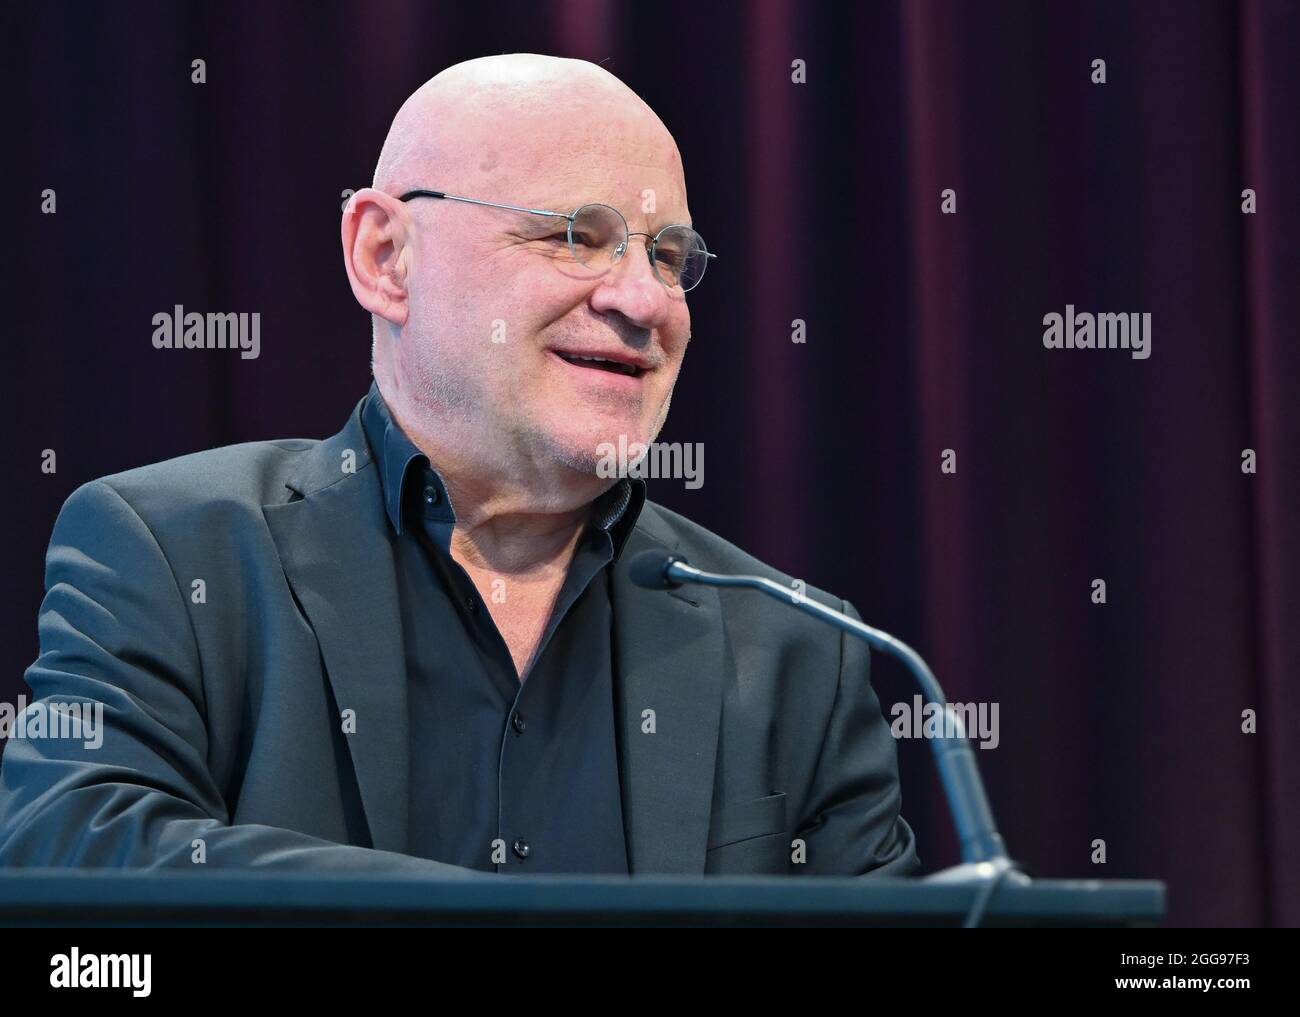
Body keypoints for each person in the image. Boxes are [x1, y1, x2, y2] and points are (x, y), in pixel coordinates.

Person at [0, 54, 917, 877]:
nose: (646, 300)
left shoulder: (803, 647)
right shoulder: (173, 556)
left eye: (670, 257)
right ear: (385, 256)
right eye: (575, 234)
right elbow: (70, 859)